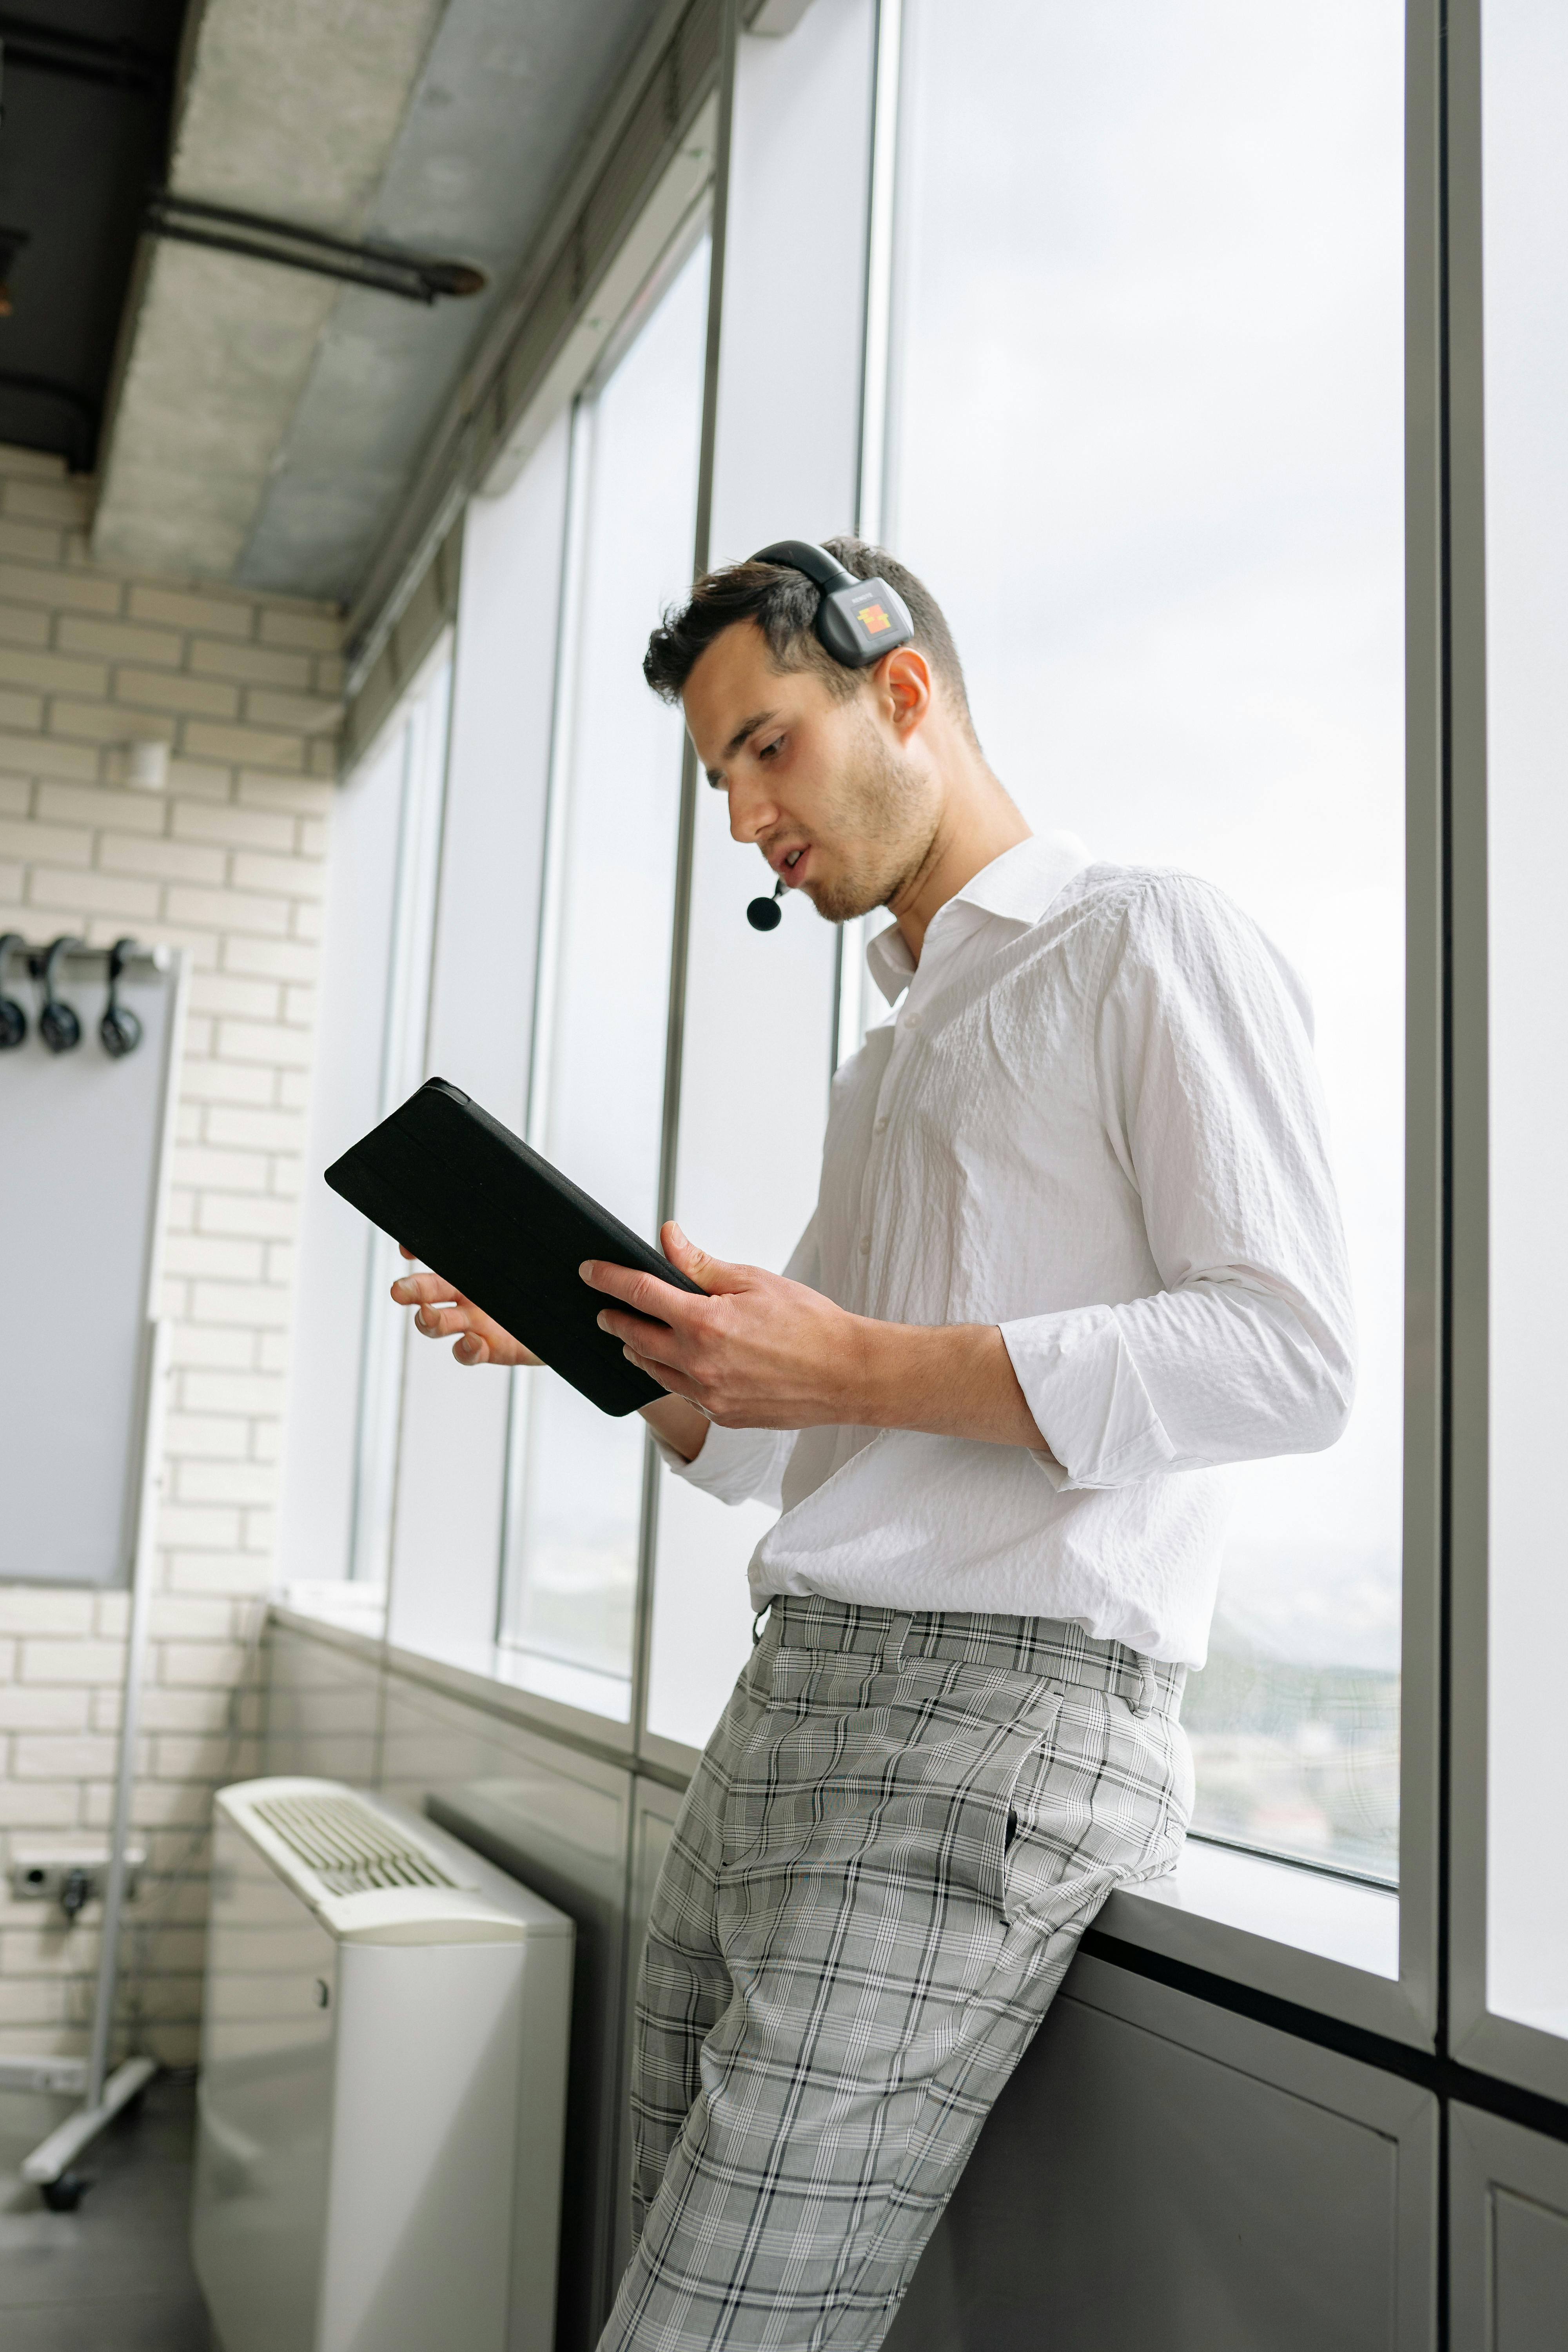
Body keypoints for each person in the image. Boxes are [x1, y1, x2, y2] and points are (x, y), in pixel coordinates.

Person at [391, 538, 1355, 2352]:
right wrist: (609, 1340)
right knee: (670, 2284)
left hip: (987, 1724)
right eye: (721, 777)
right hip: (788, 1711)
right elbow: (782, 1441)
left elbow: (1286, 1357)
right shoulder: (893, 1057)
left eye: (769, 745)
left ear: (901, 690)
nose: (747, 811)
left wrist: (848, 1360)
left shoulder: (1149, 938)